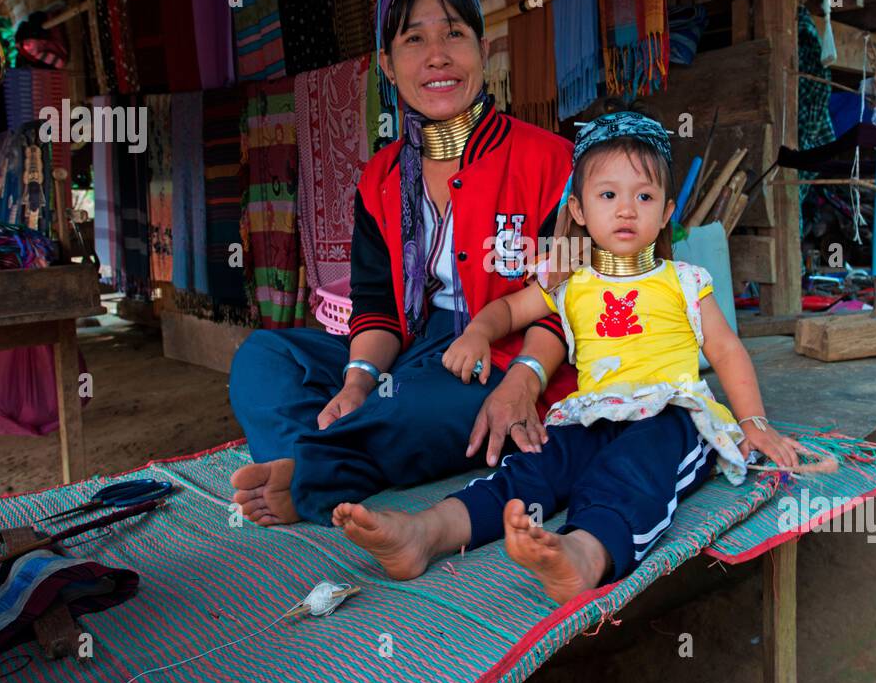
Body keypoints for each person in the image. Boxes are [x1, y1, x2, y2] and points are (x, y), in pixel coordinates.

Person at [332, 108, 809, 603]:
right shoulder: (570, 280)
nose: (626, 210)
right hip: (590, 413)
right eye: (608, 195)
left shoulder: (683, 281)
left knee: (634, 470)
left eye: (643, 197)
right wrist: (477, 331)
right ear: (579, 210)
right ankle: (427, 532)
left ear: (667, 212)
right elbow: (508, 309)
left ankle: (585, 552)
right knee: (533, 467)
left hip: (670, 413)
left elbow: (727, 348)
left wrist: (752, 421)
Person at [228, 0, 577, 526]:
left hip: (501, 355)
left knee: (418, 406)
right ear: (387, 65)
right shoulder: (380, 178)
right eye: (413, 40)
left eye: (455, 34)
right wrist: (360, 382)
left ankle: (306, 474)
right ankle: (323, 460)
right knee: (264, 359)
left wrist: (525, 380)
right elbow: (378, 308)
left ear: (483, 50)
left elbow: (573, 297)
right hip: (412, 349)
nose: (438, 56)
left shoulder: (550, 161)